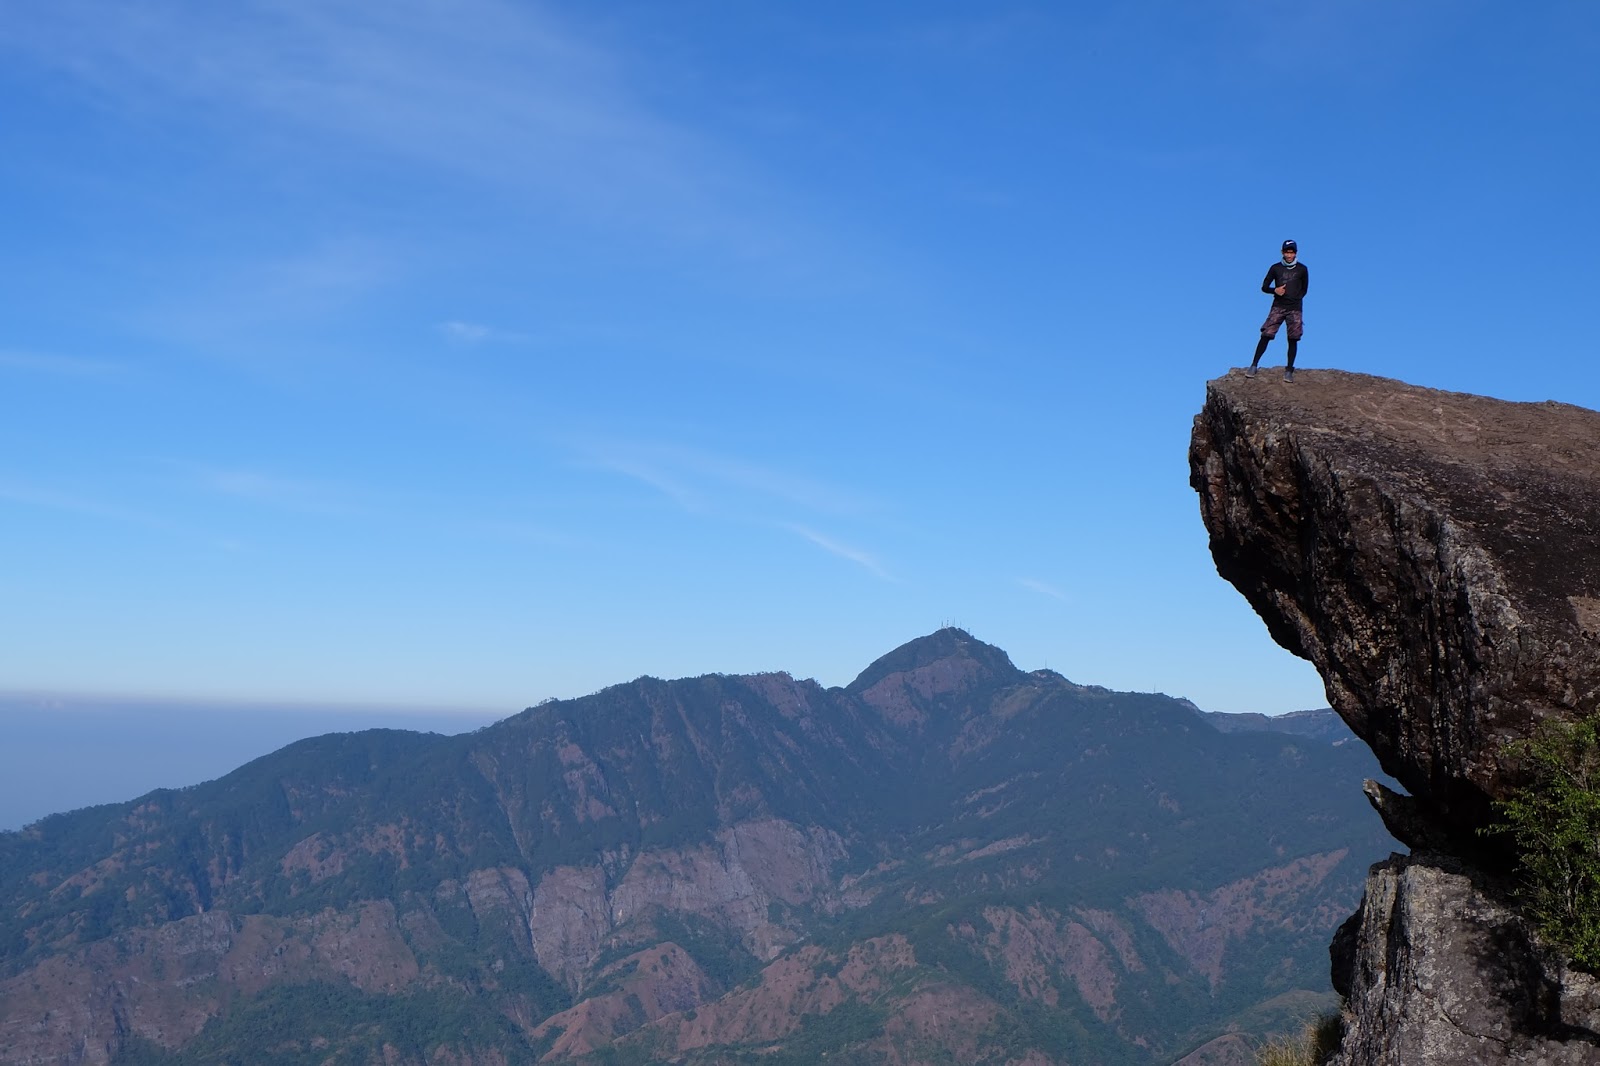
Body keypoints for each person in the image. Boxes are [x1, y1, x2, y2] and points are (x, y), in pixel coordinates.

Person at [1247, 239, 1309, 381]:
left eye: (1291, 252)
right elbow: (1264, 286)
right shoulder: (1275, 268)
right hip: (1278, 307)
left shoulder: (1302, 269)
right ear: (1282, 252)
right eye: (1287, 252)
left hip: (1295, 308)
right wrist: (1274, 290)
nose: (1289, 255)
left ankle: (1289, 370)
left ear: (1296, 253)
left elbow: (1305, 288)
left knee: (1293, 339)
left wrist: (1295, 299)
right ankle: (1254, 365)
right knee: (1266, 334)